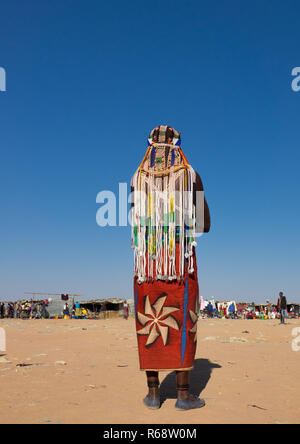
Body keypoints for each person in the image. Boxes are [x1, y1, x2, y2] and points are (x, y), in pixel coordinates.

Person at [131, 126, 210, 411]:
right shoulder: (191, 177)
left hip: (147, 263)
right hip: (178, 260)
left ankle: (153, 394)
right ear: (178, 147)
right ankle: (184, 395)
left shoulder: (136, 179)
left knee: (147, 321)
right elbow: (204, 224)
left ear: (150, 147)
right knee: (182, 321)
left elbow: (135, 219)